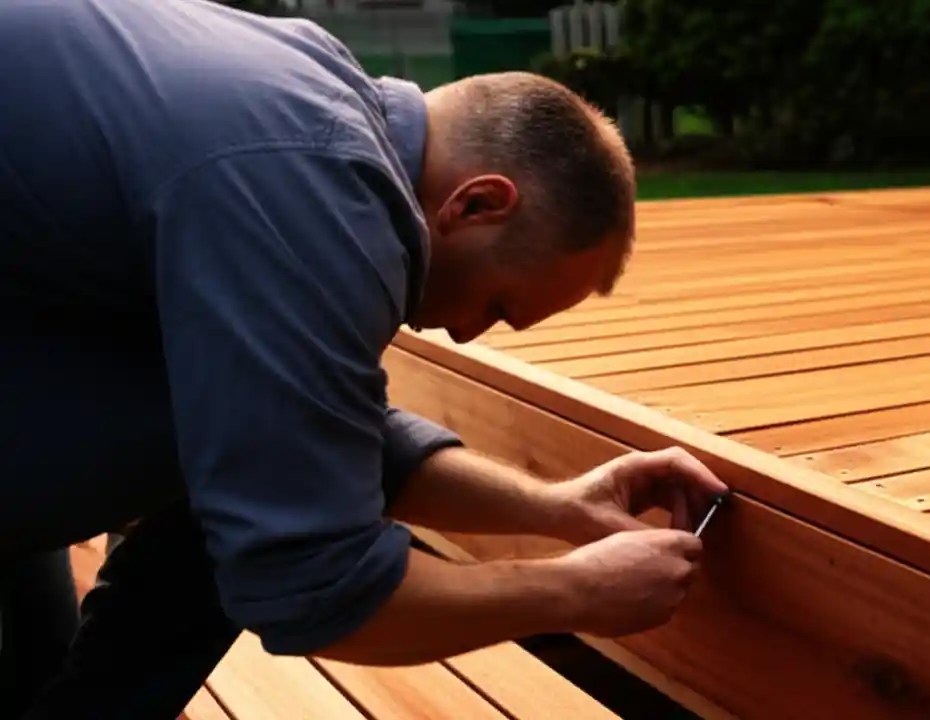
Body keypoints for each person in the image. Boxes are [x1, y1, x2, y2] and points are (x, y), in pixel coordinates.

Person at [0, 0, 729, 717]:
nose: (468, 336)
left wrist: (561, 508)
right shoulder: (310, 187)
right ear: (477, 204)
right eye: (498, 305)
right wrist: (574, 593)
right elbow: (314, 584)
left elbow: (304, 425)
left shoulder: (309, 103)